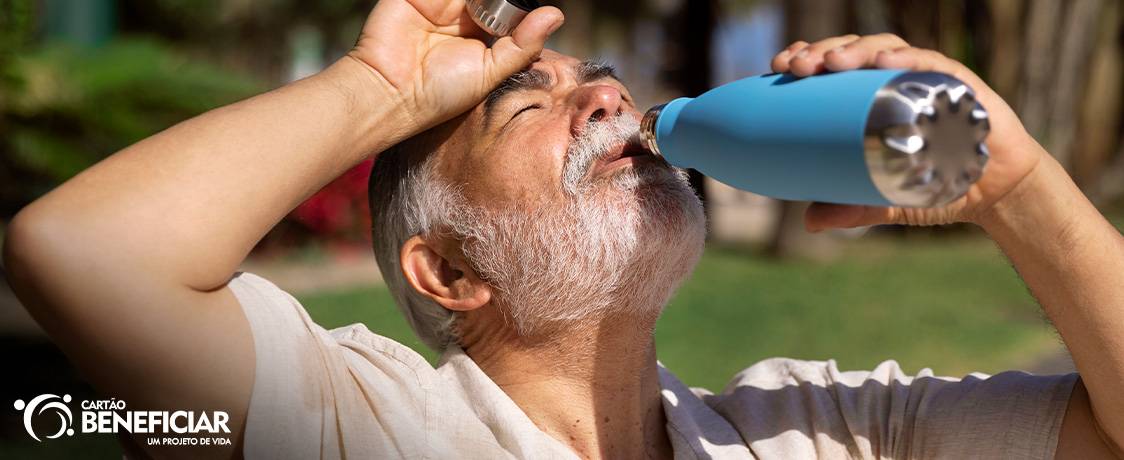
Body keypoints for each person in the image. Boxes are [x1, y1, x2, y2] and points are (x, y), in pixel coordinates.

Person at [4, 0, 1122, 458]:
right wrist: (378, 91)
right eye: (526, 105)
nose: (606, 97)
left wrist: (1012, 185)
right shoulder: (366, 425)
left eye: (600, 80)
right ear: (448, 270)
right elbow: (86, 252)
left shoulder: (813, 430)